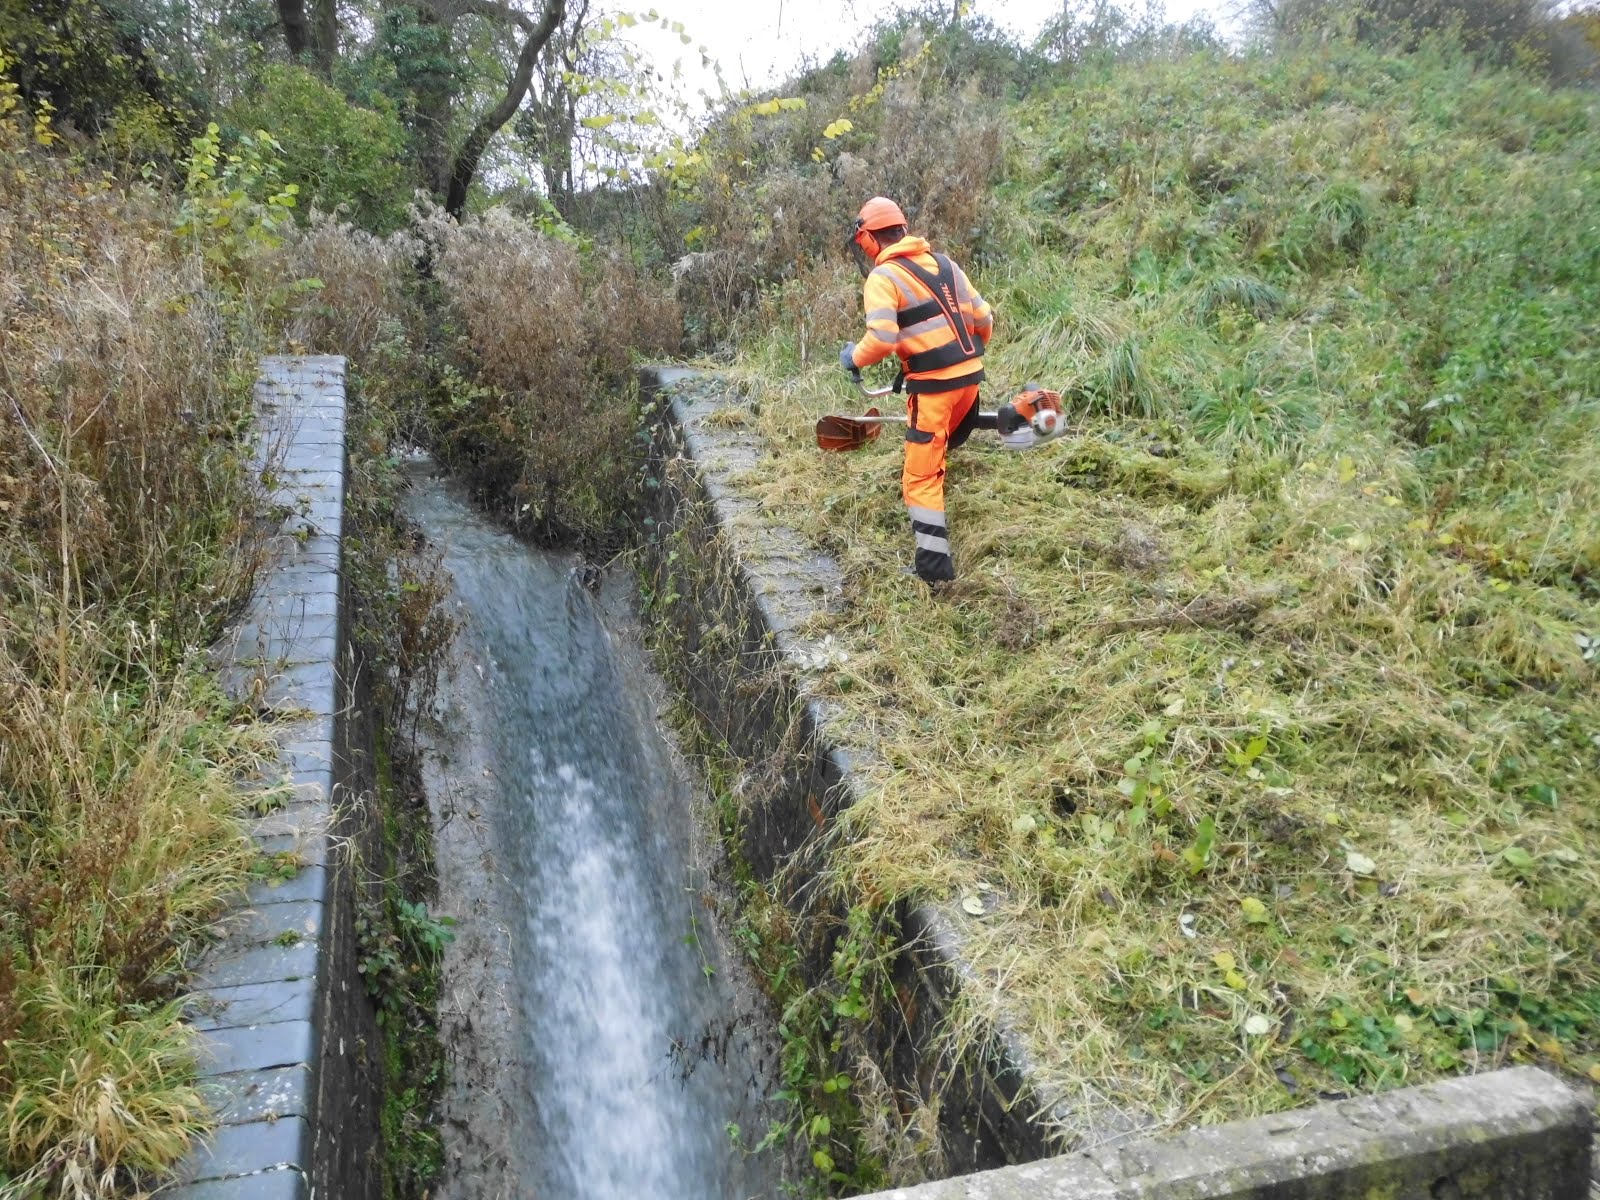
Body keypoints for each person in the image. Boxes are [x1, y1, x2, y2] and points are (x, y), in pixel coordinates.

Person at [840, 196, 993, 584]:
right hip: (970, 381)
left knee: (919, 478)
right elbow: (984, 318)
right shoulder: (946, 265)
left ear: (870, 240)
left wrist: (853, 359)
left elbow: (882, 339)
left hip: (935, 389)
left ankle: (934, 572)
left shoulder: (883, 278)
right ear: (903, 230)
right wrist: (968, 358)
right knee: (938, 446)